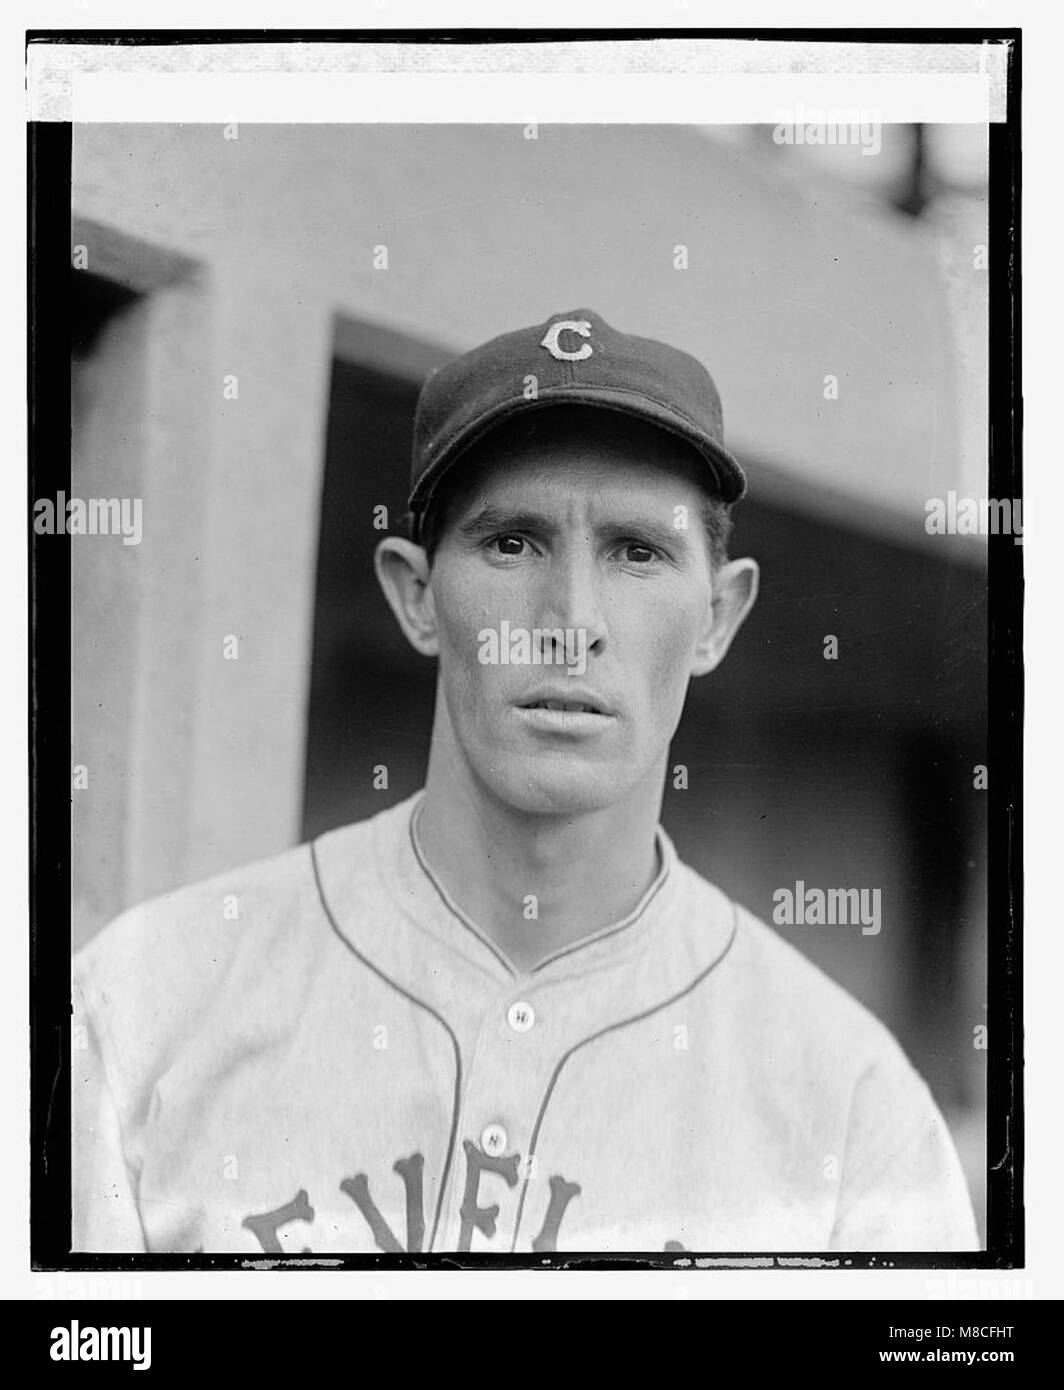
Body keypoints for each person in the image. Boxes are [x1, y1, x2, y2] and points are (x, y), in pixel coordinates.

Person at [72, 308, 978, 1254]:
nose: (569, 620)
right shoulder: (147, 1008)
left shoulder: (853, 1109)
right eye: (513, 543)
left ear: (717, 615)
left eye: (638, 551)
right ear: (416, 594)